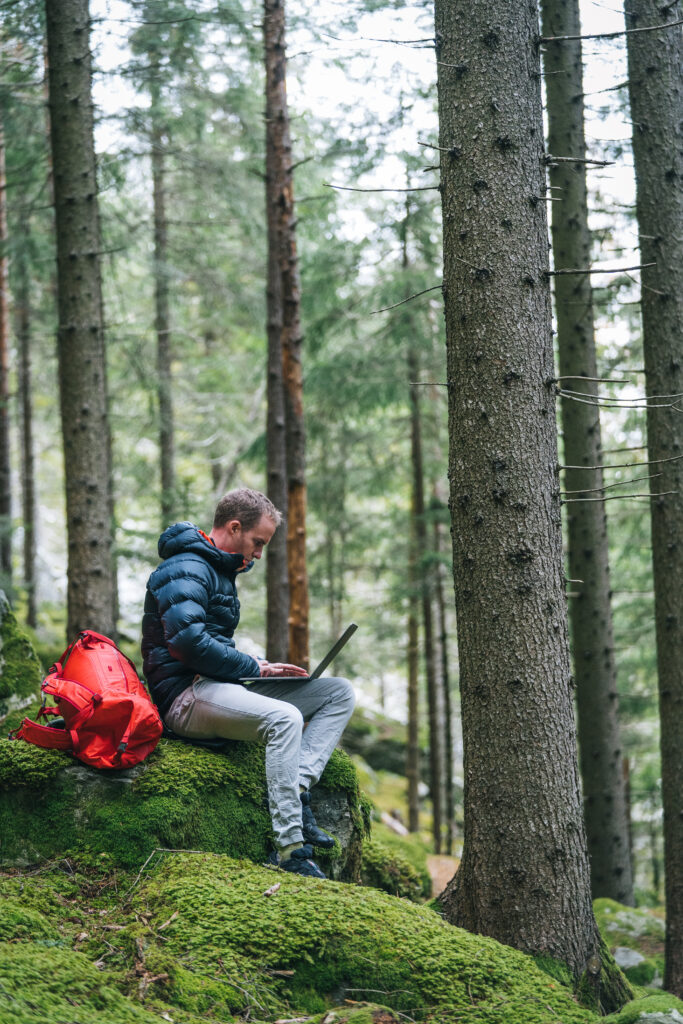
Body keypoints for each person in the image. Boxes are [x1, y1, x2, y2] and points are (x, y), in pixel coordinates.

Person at [141, 487, 356, 878]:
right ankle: (291, 850)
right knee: (285, 718)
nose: (259, 554)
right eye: (258, 543)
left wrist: (260, 668)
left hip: (221, 685)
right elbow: (188, 642)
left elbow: (211, 645)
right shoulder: (185, 567)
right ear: (234, 527)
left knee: (337, 693)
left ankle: (299, 788)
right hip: (185, 697)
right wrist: (255, 666)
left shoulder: (219, 570)